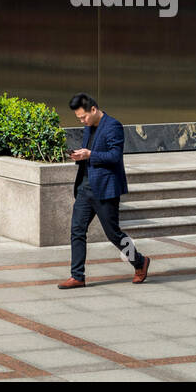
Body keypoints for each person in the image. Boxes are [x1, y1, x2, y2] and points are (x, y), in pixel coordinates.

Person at [58, 92, 150, 289]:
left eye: (84, 116)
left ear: (93, 109)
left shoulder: (113, 126)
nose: (82, 121)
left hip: (105, 189)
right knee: (77, 230)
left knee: (113, 233)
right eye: (79, 118)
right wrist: (80, 156)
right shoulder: (88, 127)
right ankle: (77, 276)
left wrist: (90, 154)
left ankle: (140, 262)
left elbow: (115, 156)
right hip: (84, 187)